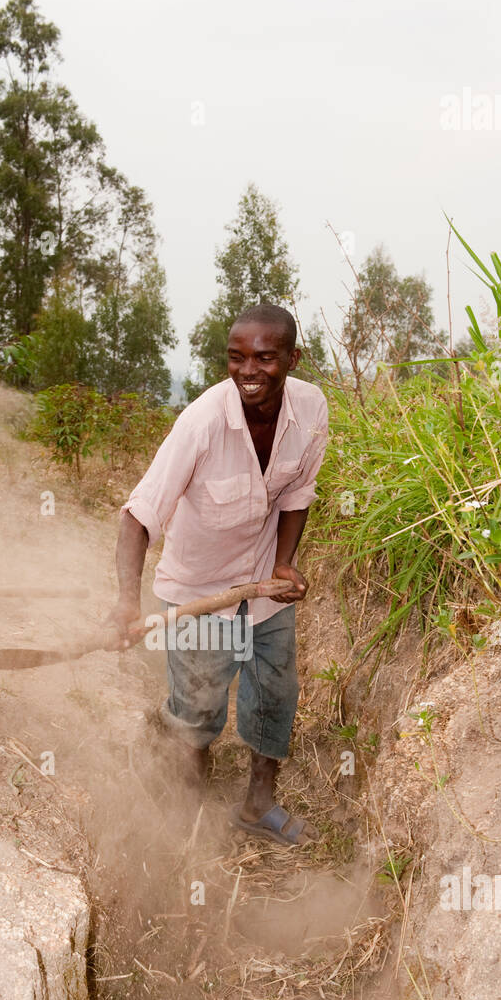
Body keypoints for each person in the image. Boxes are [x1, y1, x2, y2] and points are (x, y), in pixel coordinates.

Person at [110, 302, 328, 846]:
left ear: (292, 358)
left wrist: (284, 562)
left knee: (275, 694)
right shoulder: (203, 421)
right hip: (199, 595)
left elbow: (298, 494)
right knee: (199, 712)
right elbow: (139, 516)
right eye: (236, 358)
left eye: (264, 358)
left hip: (265, 588)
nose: (248, 371)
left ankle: (257, 806)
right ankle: (184, 819)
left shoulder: (311, 408)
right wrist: (125, 603)